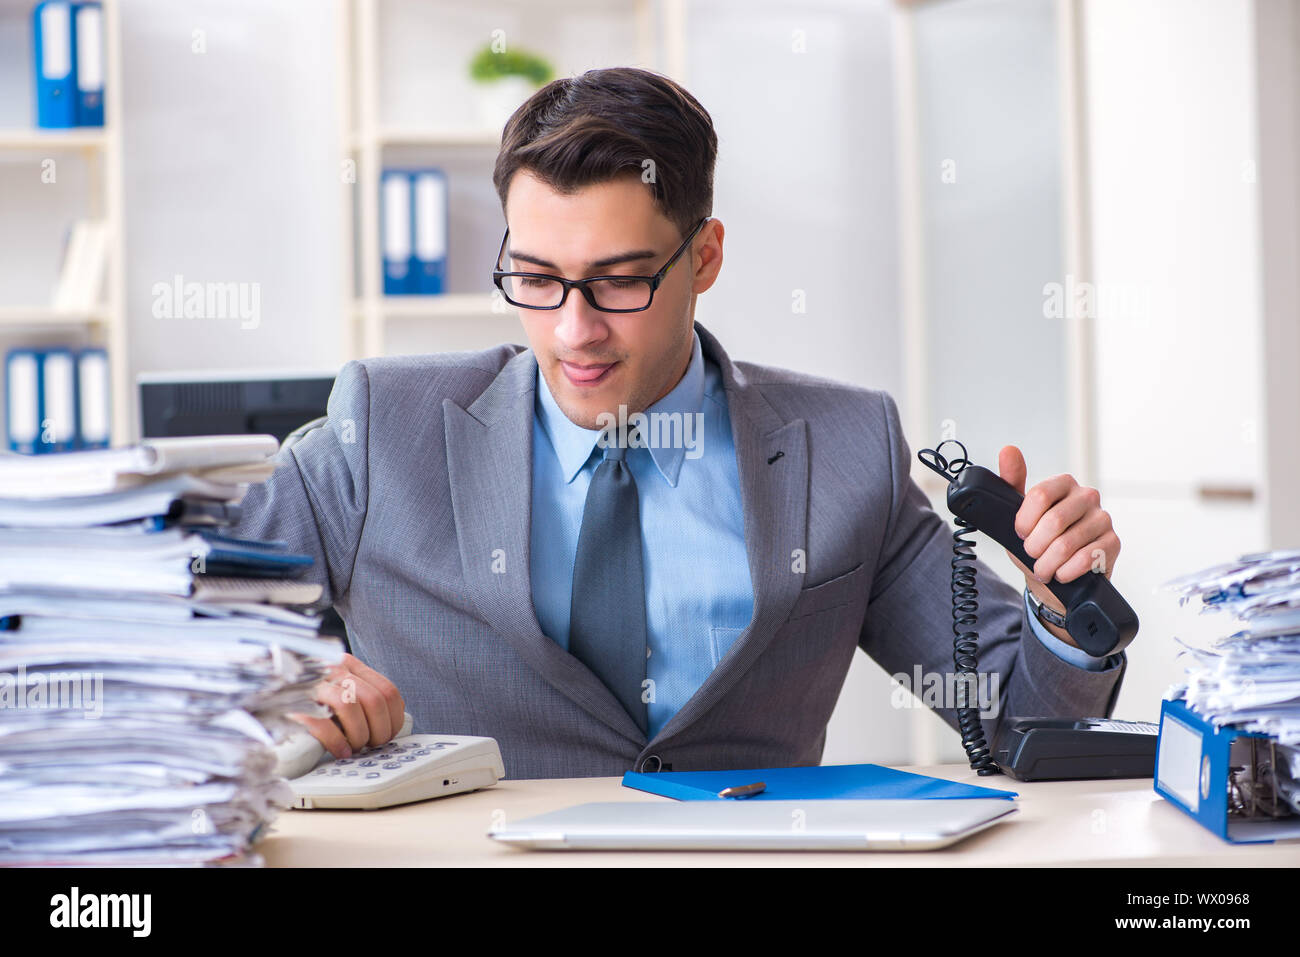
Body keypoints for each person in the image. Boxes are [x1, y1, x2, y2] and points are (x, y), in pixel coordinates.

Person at [233, 67, 1128, 778]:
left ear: (705, 255)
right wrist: (285, 677)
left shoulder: (847, 449)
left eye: (620, 281)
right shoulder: (382, 430)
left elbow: (1018, 721)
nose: (573, 330)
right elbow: (167, 633)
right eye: (536, 279)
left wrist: (1060, 610)